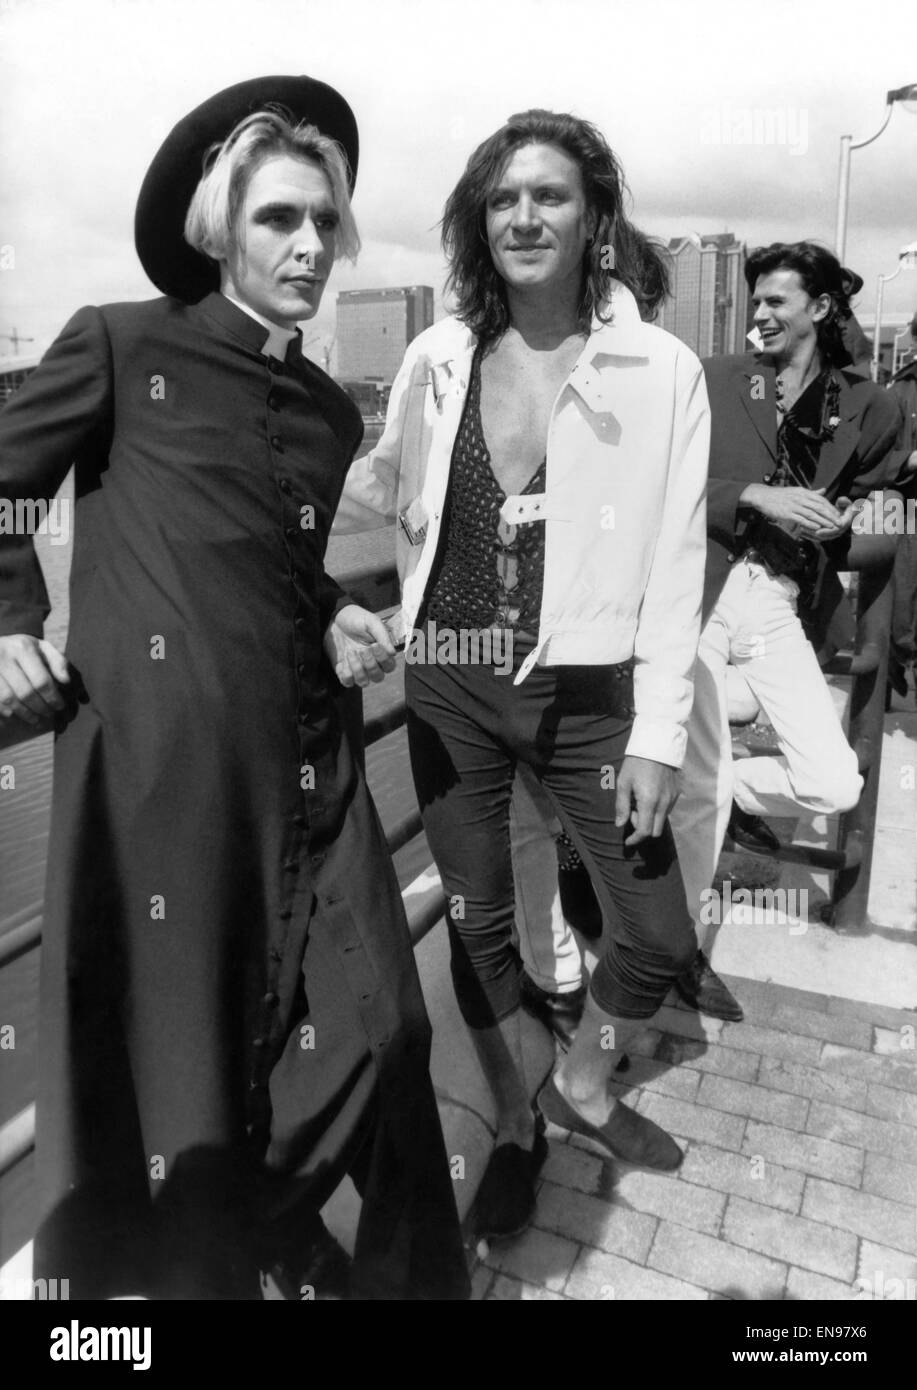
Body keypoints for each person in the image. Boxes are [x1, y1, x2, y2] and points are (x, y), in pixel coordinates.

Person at [0, 76, 468, 1301]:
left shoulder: (320, 409)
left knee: (388, 1033)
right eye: (279, 220)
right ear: (220, 229)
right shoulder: (118, 341)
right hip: (163, 790)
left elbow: (277, 560)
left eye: (326, 221)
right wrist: (12, 622)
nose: (310, 246)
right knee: (183, 1072)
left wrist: (333, 610)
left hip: (311, 773)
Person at [332, 108, 709, 1239]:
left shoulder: (657, 367)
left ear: (594, 216)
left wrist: (655, 730)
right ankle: (514, 1125)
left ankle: (580, 1078)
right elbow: (378, 482)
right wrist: (299, 555)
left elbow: (676, 559)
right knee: (481, 923)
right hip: (448, 678)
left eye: (548, 194)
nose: (523, 215)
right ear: (476, 222)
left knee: (649, 929)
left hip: (590, 696)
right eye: (502, 199)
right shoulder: (437, 355)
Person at [667, 242, 904, 1020]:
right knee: (695, 784)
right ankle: (682, 955)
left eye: (776, 301)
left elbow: (875, 500)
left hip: (773, 601)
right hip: (696, 587)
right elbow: (660, 481)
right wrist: (756, 497)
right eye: (755, 302)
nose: (760, 316)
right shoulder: (713, 377)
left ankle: (724, 790)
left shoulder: (868, 404)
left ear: (822, 307)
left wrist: (849, 519)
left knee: (833, 781)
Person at [887, 311, 917, 702]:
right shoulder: (899, 392)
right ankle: (895, 662)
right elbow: (877, 461)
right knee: (899, 599)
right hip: (905, 507)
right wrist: (910, 460)